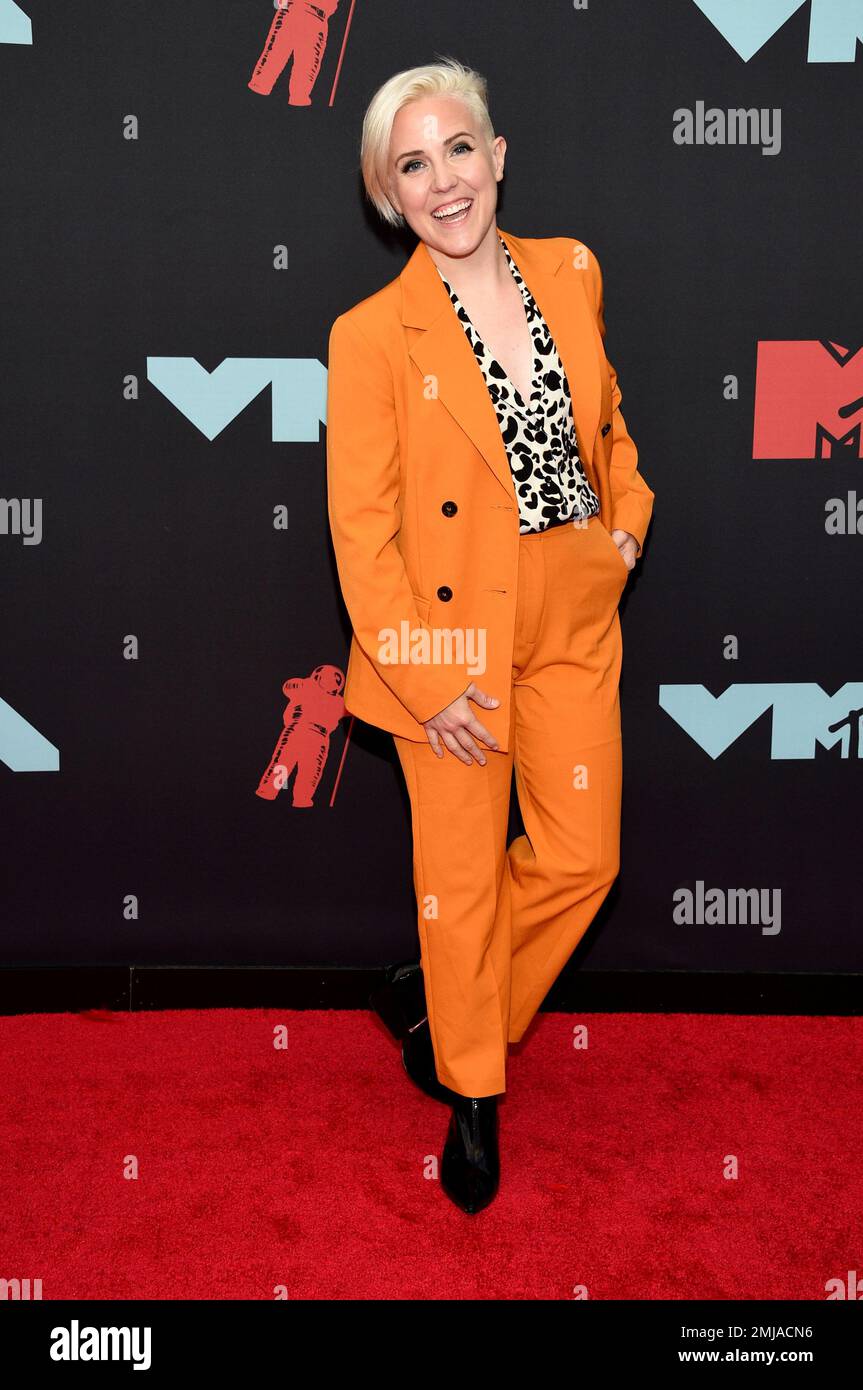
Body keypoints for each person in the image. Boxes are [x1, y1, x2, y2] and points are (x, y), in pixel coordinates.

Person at [326, 57, 655, 1214]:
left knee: (582, 856)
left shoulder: (571, 270)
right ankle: (468, 1086)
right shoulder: (369, 337)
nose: (442, 180)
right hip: (445, 637)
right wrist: (423, 686)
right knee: (459, 881)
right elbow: (361, 539)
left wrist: (621, 532)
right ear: (389, 196)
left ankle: (452, 993)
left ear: (497, 154)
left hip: (569, 605)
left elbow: (604, 424)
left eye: (456, 148)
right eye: (410, 165)